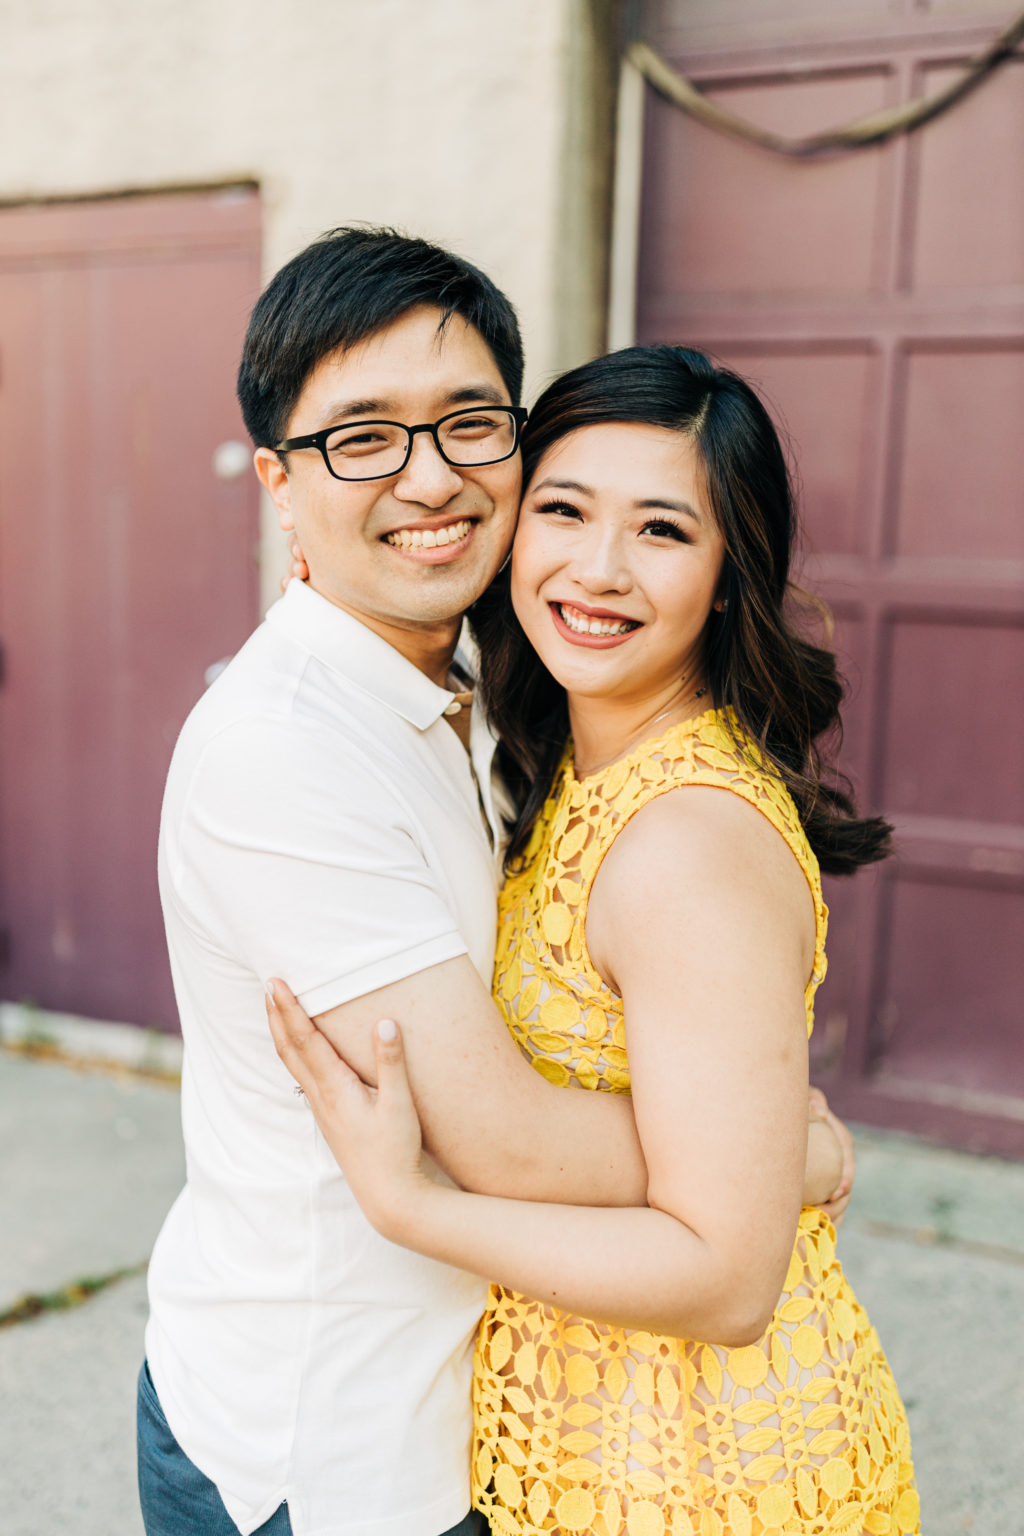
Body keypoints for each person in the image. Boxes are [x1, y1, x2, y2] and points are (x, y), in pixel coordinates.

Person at [140, 227, 850, 1536]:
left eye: (469, 423)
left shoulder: (480, 691)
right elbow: (502, 1138)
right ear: (279, 484)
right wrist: (775, 1161)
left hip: (481, 1424)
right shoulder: (287, 749)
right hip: (332, 1453)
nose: (430, 476)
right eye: (363, 437)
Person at [266, 345, 919, 1535]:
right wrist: (789, 1154)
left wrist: (412, 1206)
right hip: (589, 1448)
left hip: (700, 1474)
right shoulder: (573, 766)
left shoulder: (682, 840)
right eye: (564, 509)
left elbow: (726, 1277)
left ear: (728, 575)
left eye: (664, 531)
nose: (598, 569)